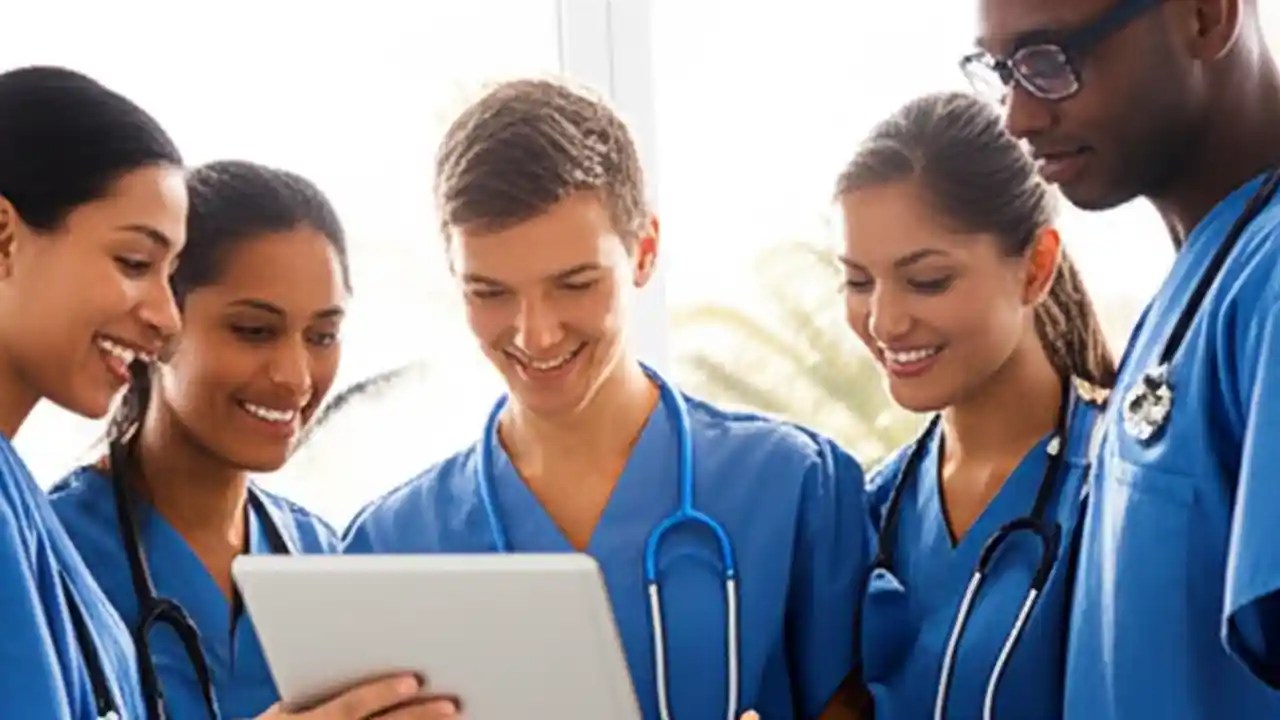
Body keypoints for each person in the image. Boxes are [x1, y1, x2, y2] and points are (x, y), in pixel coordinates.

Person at [341, 77, 872, 720]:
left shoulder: (794, 485)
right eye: (489, 292)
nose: (534, 332)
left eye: (574, 284)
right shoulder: (390, 546)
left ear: (644, 251)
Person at [0, 64, 452, 720]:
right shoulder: (60, 535)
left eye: (323, 335)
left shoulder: (321, 558)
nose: (159, 314)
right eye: (133, 264)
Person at [967, 0, 1280, 717]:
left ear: (1205, 16)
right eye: (1002, 71)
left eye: (1049, 62)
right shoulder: (1207, 278)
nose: (1016, 117)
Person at [833, 91, 1114, 720]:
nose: (883, 320)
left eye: (927, 280)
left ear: (1037, 266)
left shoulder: (1120, 494)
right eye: (857, 281)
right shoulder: (872, 508)